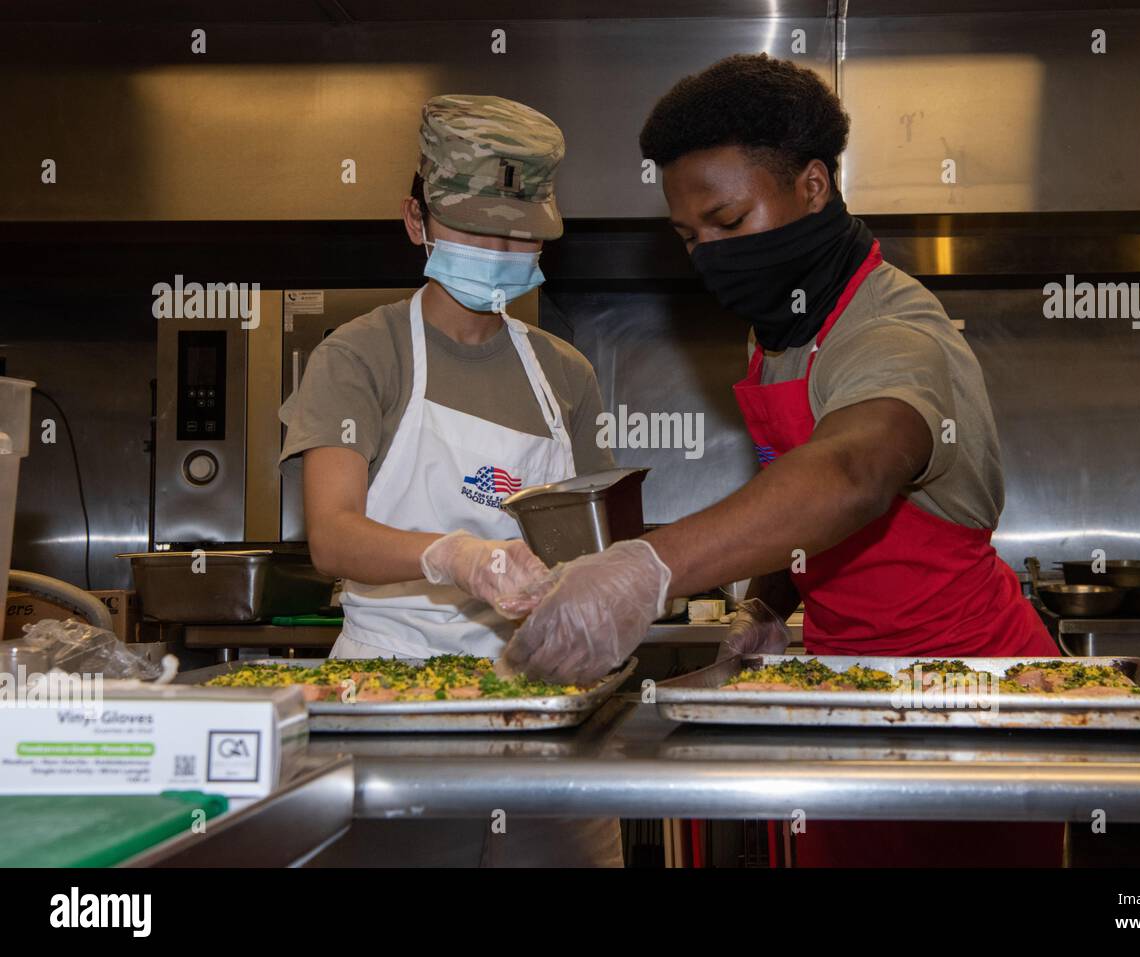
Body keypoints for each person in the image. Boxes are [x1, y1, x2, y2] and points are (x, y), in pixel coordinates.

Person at [496, 56, 1061, 866]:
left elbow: (851, 473)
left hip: (962, 703)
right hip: (847, 692)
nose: (709, 255)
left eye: (729, 221)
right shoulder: (776, 334)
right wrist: (766, 604)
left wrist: (646, 568)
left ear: (813, 187)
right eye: (690, 237)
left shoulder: (894, 333)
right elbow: (794, 488)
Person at [279, 93, 620, 866]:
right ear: (416, 219)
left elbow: (593, 539)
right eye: (474, 227)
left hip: (537, 704)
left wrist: (588, 588)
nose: (499, 246)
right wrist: (458, 556)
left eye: (518, 233)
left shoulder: (563, 373)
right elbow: (332, 534)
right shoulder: (359, 355)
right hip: (385, 703)